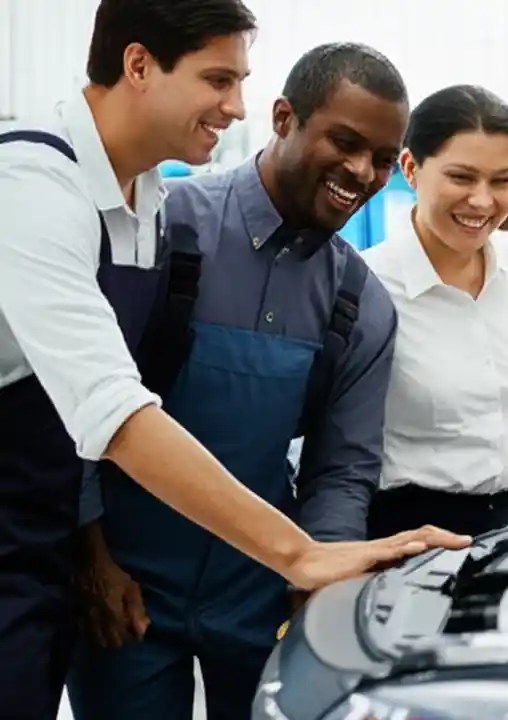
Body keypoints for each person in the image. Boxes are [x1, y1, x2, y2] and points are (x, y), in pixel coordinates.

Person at [0, 3, 464, 715]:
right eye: (219, 79)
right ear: (138, 65)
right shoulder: (40, 185)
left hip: (222, 581)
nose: (234, 106)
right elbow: (106, 406)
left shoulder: (143, 202)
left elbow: (342, 463)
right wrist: (96, 553)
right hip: (82, 557)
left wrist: (316, 570)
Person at [363, 85, 508, 537]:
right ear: (411, 168)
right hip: (409, 529)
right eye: (461, 177)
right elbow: (333, 445)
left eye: (502, 180)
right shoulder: (367, 285)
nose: (482, 200)